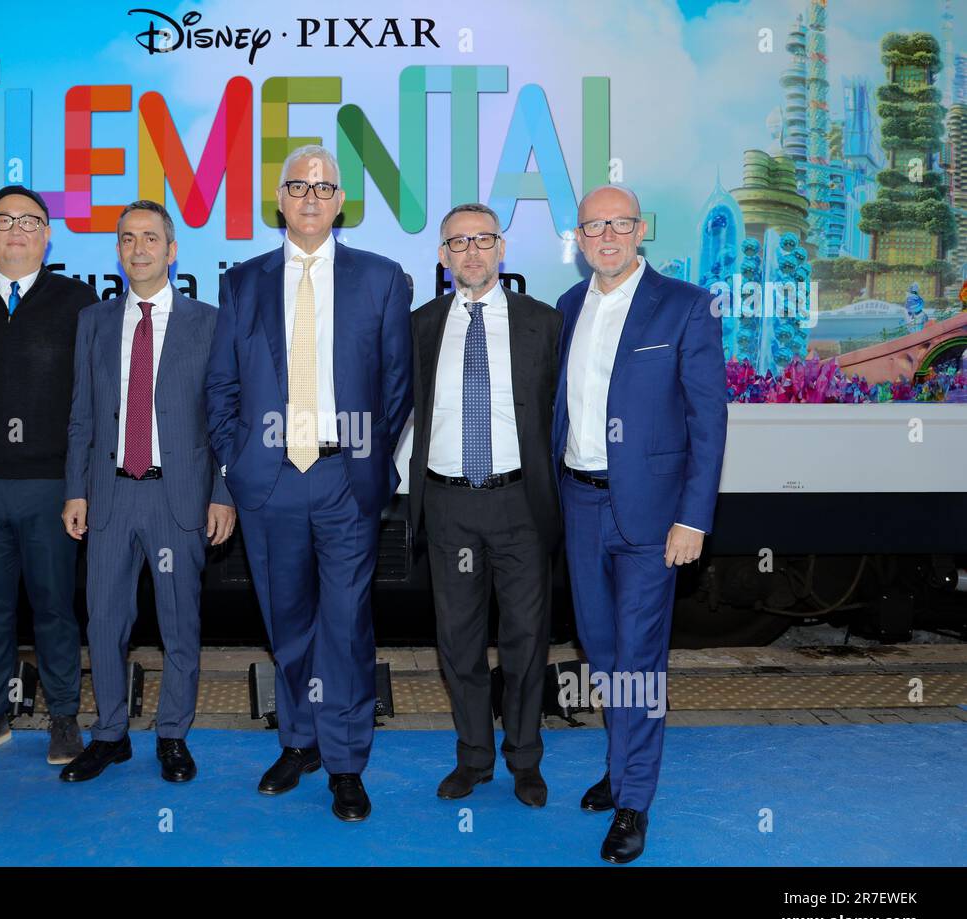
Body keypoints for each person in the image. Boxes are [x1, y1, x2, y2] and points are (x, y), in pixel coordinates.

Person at [205, 145, 412, 822]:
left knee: (346, 625)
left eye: (325, 187)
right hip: (269, 480)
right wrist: (239, 465)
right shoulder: (242, 282)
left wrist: (363, 463)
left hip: (344, 479)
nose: (312, 197)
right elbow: (223, 387)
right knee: (287, 622)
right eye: (299, 186)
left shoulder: (382, 279)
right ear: (281, 200)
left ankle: (346, 761)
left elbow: (396, 389)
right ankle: (300, 740)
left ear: (341, 201)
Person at [553, 185, 727, 863]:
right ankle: (619, 762)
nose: (607, 236)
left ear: (642, 229)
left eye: (620, 224)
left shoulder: (684, 307)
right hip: (580, 505)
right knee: (600, 653)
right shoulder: (568, 308)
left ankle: (633, 801)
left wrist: (693, 518)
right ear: (579, 235)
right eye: (595, 226)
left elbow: (708, 420)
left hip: (654, 519)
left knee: (639, 658)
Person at [60, 200, 235, 785]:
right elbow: (82, 416)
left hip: (177, 500)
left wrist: (223, 492)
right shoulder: (94, 322)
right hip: (110, 496)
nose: (139, 248)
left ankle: (172, 736)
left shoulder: (208, 324)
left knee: (178, 625)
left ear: (172, 248)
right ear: (117, 250)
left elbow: (223, 420)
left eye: (151, 238)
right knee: (104, 623)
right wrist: (75, 491)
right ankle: (109, 735)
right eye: (128, 238)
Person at [0, 185, 99, 767]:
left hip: (51, 488)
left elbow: (92, 399)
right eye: (3, 220)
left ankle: (62, 718)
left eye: (29, 221)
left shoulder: (78, 302)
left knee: (55, 606)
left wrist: (81, 483)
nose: (16, 231)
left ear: (47, 234)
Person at [408, 203, 561, 807]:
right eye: (457, 243)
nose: (471, 252)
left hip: (520, 504)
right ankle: (474, 757)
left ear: (502, 249)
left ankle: (525, 758)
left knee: (526, 638)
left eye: (482, 240)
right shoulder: (421, 326)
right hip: (449, 507)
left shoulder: (542, 323)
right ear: (443, 258)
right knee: (460, 640)